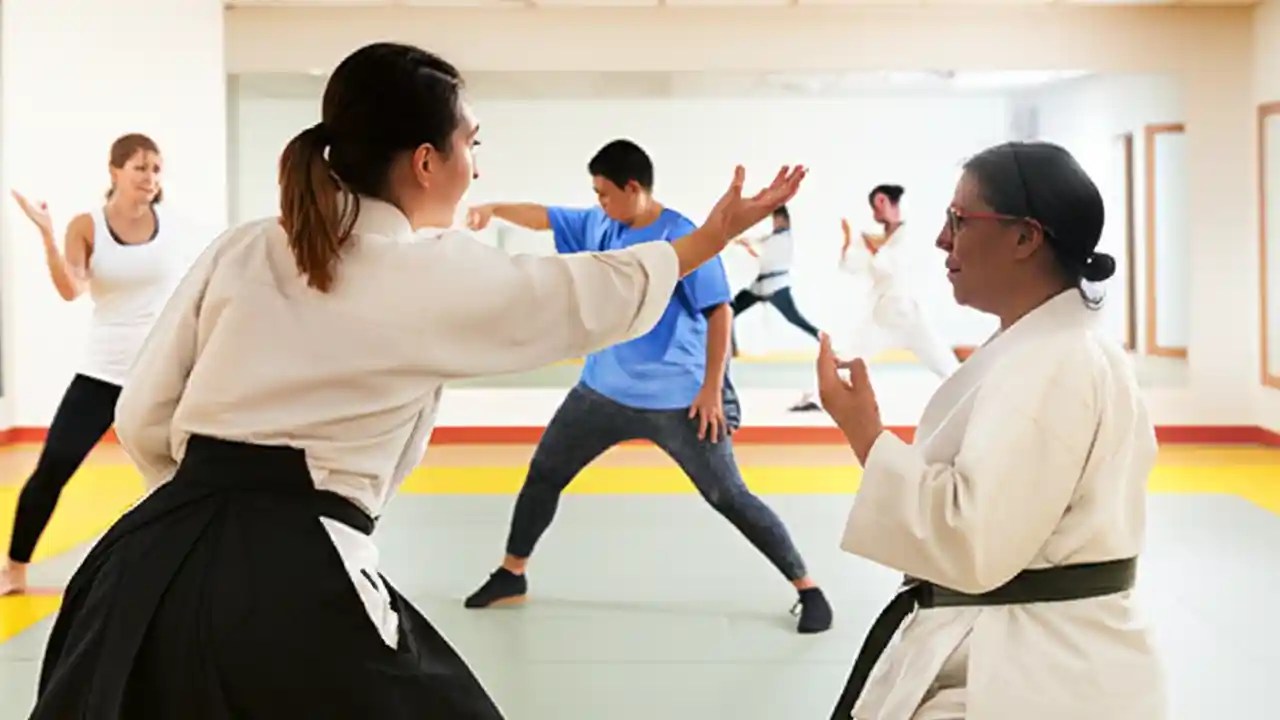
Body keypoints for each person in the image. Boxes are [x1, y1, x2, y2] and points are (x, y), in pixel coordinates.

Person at [27, 43, 807, 719]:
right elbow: (583, 295)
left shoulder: (247, 245)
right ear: (427, 161)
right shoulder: (427, 272)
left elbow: (143, 413)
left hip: (140, 567)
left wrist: (204, 507)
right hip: (293, 580)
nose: (478, 164)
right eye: (472, 142)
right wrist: (712, 236)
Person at [818, 142, 1166, 720]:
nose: (942, 240)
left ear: (1025, 237)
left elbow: (975, 542)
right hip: (1030, 646)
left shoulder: (1055, 362)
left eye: (959, 220)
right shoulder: (1047, 349)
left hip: (1032, 669)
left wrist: (867, 436)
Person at [462, 141, 834, 634]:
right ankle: (512, 573)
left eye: (605, 193)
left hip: (677, 400)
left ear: (633, 188)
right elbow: (544, 216)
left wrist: (710, 390)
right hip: (601, 391)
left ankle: (808, 587)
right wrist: (492, 209)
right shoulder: (601, 223)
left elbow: (719, 312)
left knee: (728, 495)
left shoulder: (679, 236)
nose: (599, 203)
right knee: (545, 473)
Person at [0, 133, 193, 597]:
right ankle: (14, 568)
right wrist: (47, 235)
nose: (150, 177)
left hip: (159, 373)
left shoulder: (171, 224)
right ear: (115, 171)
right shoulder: (88, 225)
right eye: (140, 167)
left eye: (156, 169)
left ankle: (183, 569)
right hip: (102, 372)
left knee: (182, 474)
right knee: (54, 466)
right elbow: (72, 288)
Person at [791, 184, 959, 412]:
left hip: (903, 308)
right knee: (851, 353)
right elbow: (852, 266)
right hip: (888, 310)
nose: (874, 213)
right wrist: (848, 242)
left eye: (876, 206)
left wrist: (874, 247)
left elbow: (892, 267)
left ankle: (970, 392)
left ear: (884, 201)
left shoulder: (907, 236)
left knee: (940, 358)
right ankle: (816, 397)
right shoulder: (876, 240)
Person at [728, 204, 822, 356]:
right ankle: (732, 350)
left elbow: (762, 251)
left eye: (776, 219)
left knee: (794, 318)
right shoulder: (775, 237)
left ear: (784, 220)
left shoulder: (783, 239)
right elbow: (760, 245)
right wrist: (745, 243)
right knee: (729, 310)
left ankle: (823, 339)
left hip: (776, 286)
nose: (775, 223)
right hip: (760, 286)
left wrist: (747, 245)